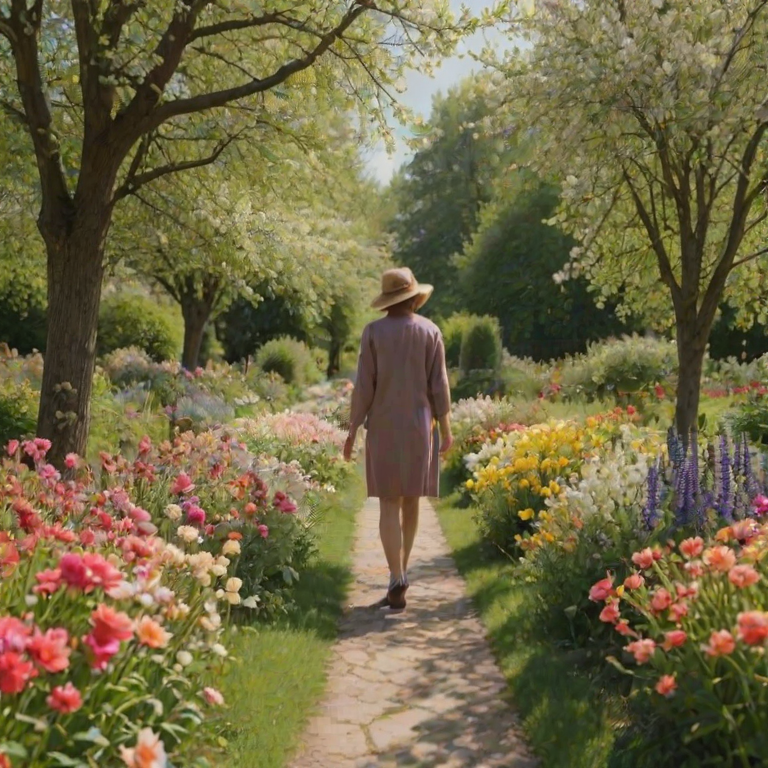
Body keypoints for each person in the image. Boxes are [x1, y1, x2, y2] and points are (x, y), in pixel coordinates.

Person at [343, 267, 453, 609]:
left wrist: (351, 431)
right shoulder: (431, 331)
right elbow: (440, 386)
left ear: (387, 300)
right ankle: (403, 569)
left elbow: (364, 386)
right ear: (415, 297)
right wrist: (446, 430)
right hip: (421, 428)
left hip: (384, 428)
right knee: (412, 500)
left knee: (388, 503)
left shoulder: (373, 333)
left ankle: (395, 575)